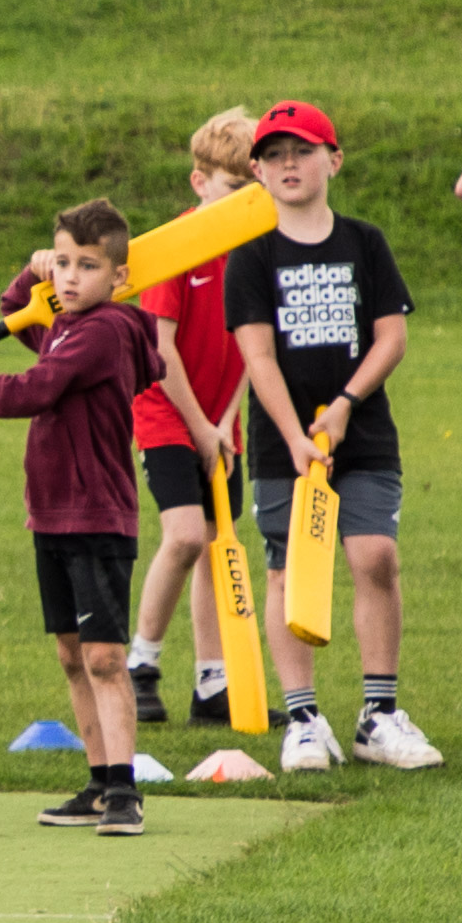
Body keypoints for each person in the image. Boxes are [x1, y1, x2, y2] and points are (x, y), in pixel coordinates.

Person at [0, 199, 165, 836]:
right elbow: (19, 313)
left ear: (117, 278)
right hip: (52, 516)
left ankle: (125, 791)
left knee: (107, 658)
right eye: (60, 262)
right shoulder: (64, 324)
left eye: (86, 266)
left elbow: (31, 391)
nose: (67, 278)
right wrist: (25, 278)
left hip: (97, 517)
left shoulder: (104, 331)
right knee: (71, 653)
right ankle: (96, 782)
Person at [225, 100, 443, 773]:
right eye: (274, 155)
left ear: (333, 160)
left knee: (374, 554)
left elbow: (392, 337)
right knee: (290, 570)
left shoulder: (364, 242)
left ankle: (378, 716)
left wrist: (346, 403)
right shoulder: (251, 256)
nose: (289, 164)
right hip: (282, 443)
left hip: (364, 431)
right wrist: (294, 435)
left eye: (303, 151)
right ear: (258, 171)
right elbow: (257, 357)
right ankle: (302, 718)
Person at [125, 107, 284, 729]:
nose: (247, 203)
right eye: (233, 190)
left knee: (220, 546)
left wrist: (226, 417)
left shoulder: (256, 254)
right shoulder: (175, 249)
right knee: (186, 536)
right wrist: (199, 423)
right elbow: (160, 350)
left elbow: (253, 345)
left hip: (222, 419)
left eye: (255, 191)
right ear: (200, 183)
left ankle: (212, 685)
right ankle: (142, 664)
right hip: (166, 412)